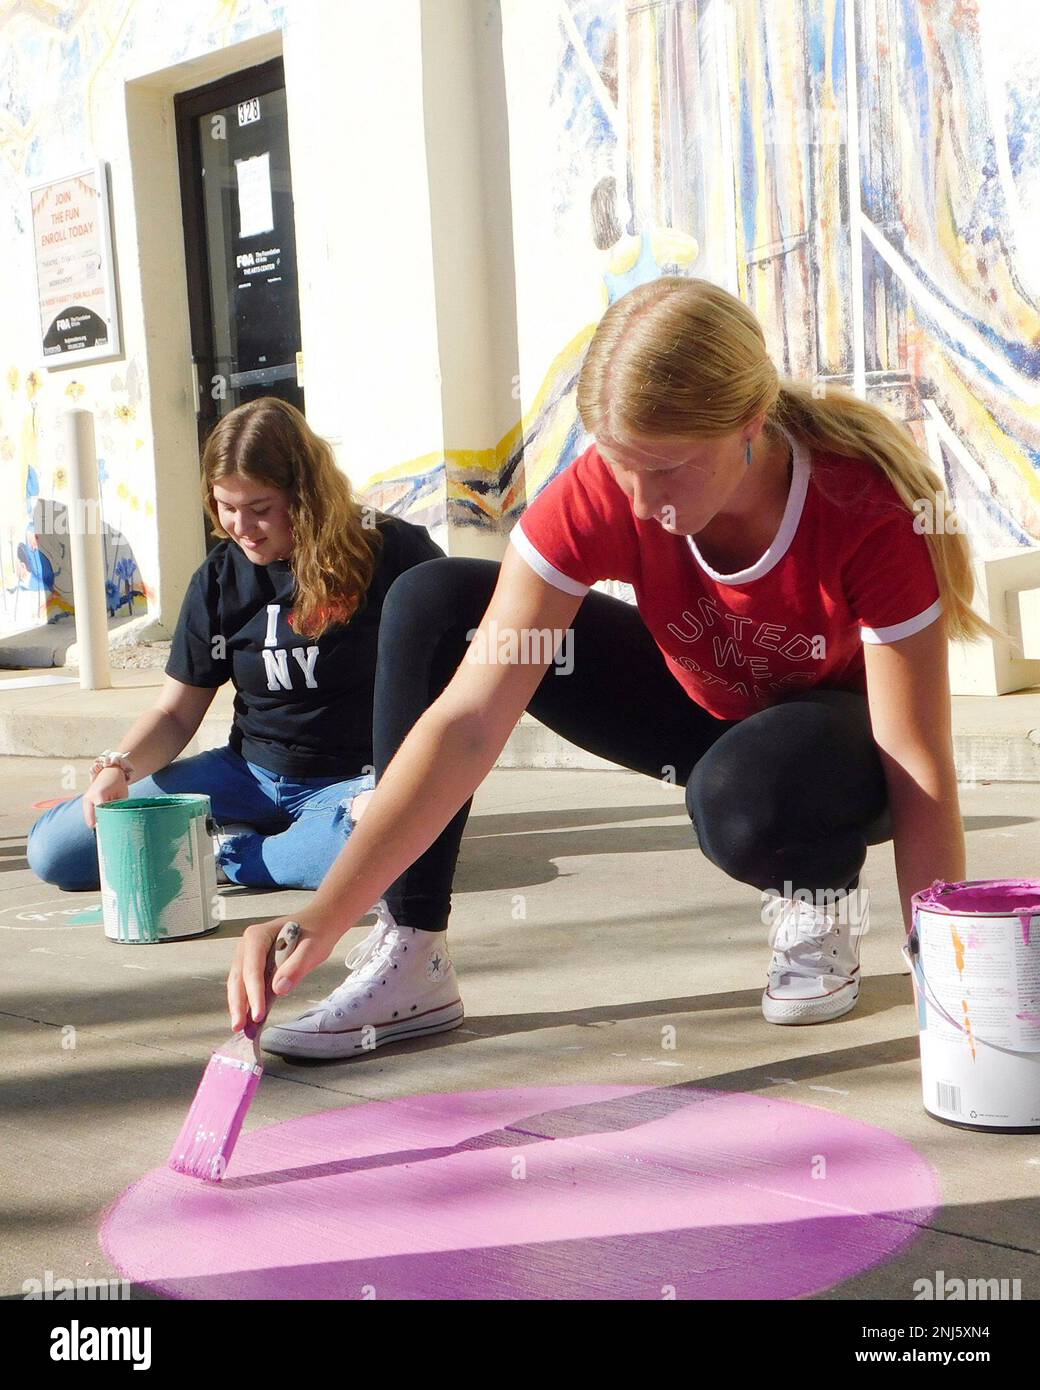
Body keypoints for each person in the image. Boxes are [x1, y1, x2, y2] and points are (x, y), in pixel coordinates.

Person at [230, 277, 1005, 1060]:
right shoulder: (609, 492)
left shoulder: (863, 510)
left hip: (834, 758)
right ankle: (411, 950)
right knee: (436, 599)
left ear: (749, 425)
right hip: (705, 713)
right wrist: (320, 918)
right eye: (620, 464)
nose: (639, 501)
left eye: (666, 468)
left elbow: (918, 767)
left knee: (742, 796)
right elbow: (468, 722)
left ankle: (818, 891)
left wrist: (943, 982)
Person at [27, 398, 445, 937]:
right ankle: (253, 843)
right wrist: (120, 768)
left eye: (261, 507)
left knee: (388, 853)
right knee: (56, 854)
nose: (241, 526)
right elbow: (177, 713)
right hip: (243, 773)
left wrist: (401, 781)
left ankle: (232, 854)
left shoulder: (391, 551)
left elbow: (459, 670)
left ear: (306, 494)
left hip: (351, 782)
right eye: (226, 506)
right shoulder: (219, 577)